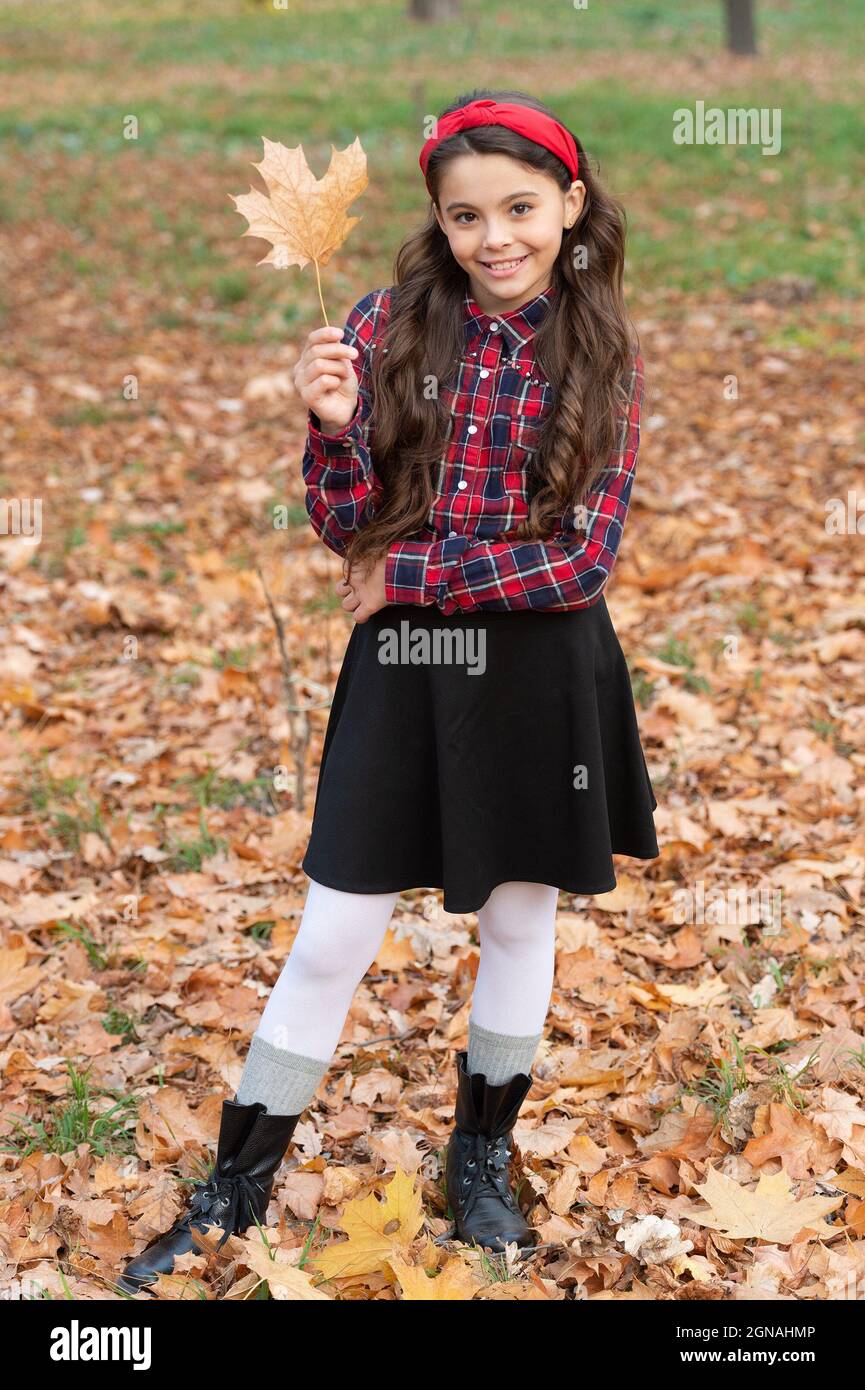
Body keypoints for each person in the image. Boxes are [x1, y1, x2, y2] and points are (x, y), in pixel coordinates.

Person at [116, 87, 659, 1295]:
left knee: (519, 921)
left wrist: (409, 574)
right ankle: (236, 1189)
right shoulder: (384, 323)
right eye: (465, 216)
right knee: (334, 932)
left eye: (520, 207)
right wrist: (331, 429)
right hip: (406, 673)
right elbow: (347, 528)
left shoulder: (603, 351)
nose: (495, 237)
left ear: (569, 206)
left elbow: (578, 557)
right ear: (438, 222)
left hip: (539, 671)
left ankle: (480, 1160)